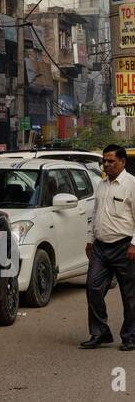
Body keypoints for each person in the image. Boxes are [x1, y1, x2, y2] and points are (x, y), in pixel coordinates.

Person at [80, 144, 135, 350]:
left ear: (122, 162)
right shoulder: (101, 184)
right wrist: (90, 239)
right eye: (104, 160)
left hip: (124, 247)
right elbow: (94, 214)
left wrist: (134, 245)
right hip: (101, 248)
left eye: (111, 161)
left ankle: (130, 336)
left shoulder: (131, 184)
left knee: (129, 296)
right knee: (93, 287)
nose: (106, 164)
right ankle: (100, 333)